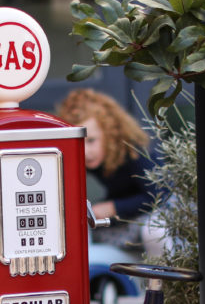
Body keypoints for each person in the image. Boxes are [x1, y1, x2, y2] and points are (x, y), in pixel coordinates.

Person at [56, 88, 165, 259]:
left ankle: (163, 283)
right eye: (78, 142)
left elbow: (158, 194)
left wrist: (112, 207)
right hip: (132, 214)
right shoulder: (94, 159)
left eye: (91, 140)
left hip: (164, 211)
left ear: (109, 133)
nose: (85, 151)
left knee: (155, 231)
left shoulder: (133, 150)